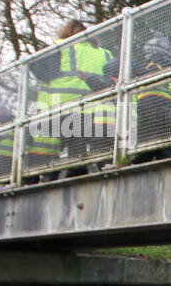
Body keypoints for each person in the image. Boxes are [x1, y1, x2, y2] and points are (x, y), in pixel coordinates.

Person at [28, 19, 118, 179]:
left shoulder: (60, 47)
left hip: (63, 107)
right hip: (96, 110)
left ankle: (70, 170)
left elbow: (40, 72)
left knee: (63, 141)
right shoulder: (105, 53)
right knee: (82, 139)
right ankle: (81, 167)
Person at [130, 33, 171, 164]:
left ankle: (132, 164)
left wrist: (133, 68)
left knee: (146, 148)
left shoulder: (156, 64)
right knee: (165, 149)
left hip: (152, 112)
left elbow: (151, 76)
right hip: (169, 113)